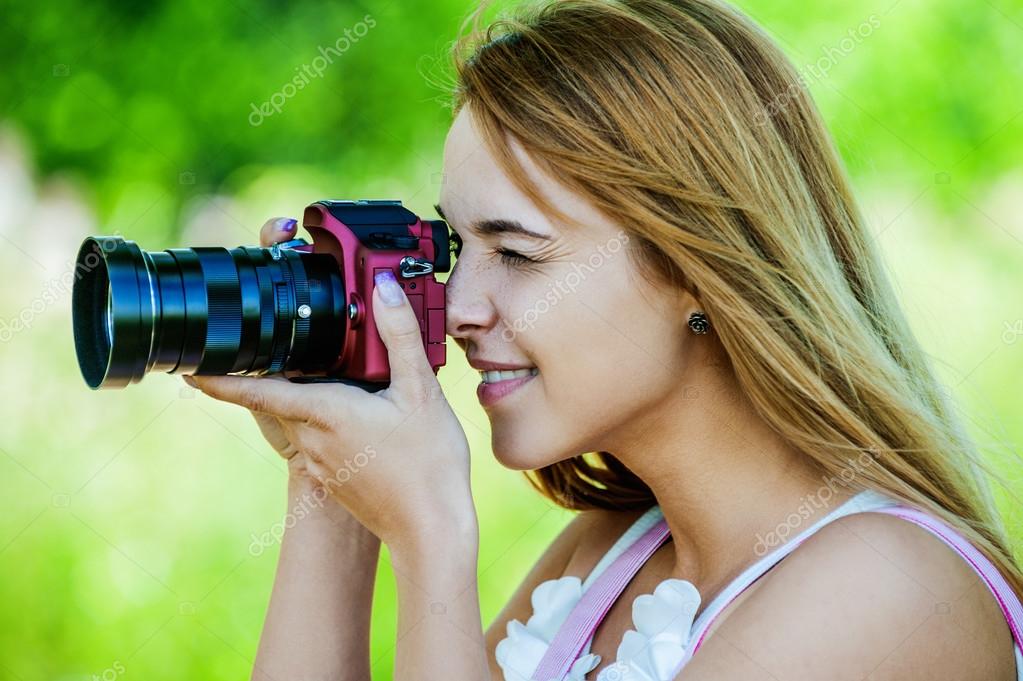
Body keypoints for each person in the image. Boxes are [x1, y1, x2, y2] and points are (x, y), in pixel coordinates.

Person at [185, 0, 1023, 679]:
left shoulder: (885, 591)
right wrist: (330, 475)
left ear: (697, 265)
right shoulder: (611, 554)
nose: (460, 305)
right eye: (456, 248)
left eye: (515, 252)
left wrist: (433, 536)